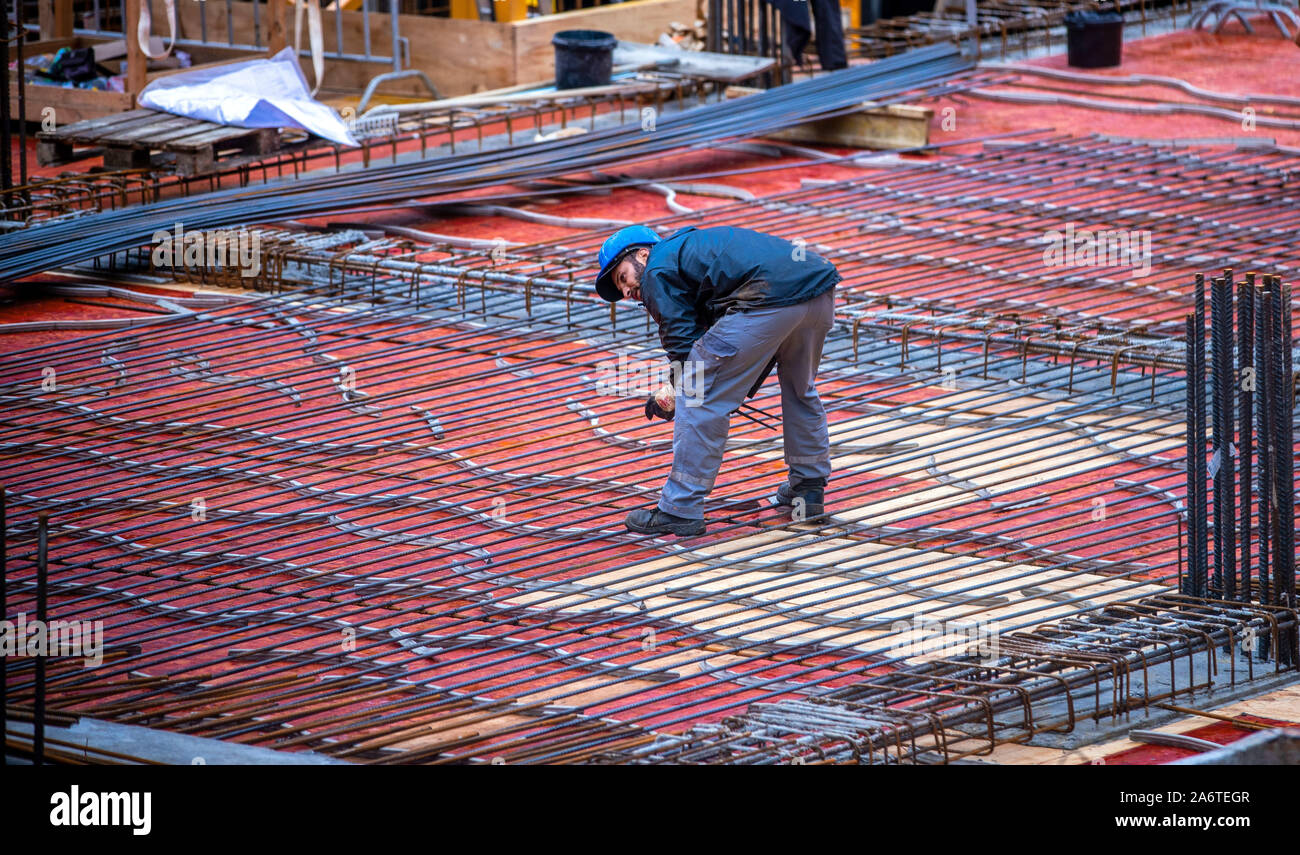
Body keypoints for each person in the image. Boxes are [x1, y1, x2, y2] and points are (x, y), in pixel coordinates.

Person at [593, 225, 840, 536]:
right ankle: (808, 490)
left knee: (699, 398)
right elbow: (721, 340)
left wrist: (680, 390)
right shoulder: (691, 255)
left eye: (622, 277)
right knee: (799, 389)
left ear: (643, 253)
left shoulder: (657, 268)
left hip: (770, 300)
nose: (627, 291)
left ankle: (679, 509)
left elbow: (684, 344)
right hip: (817, 293)